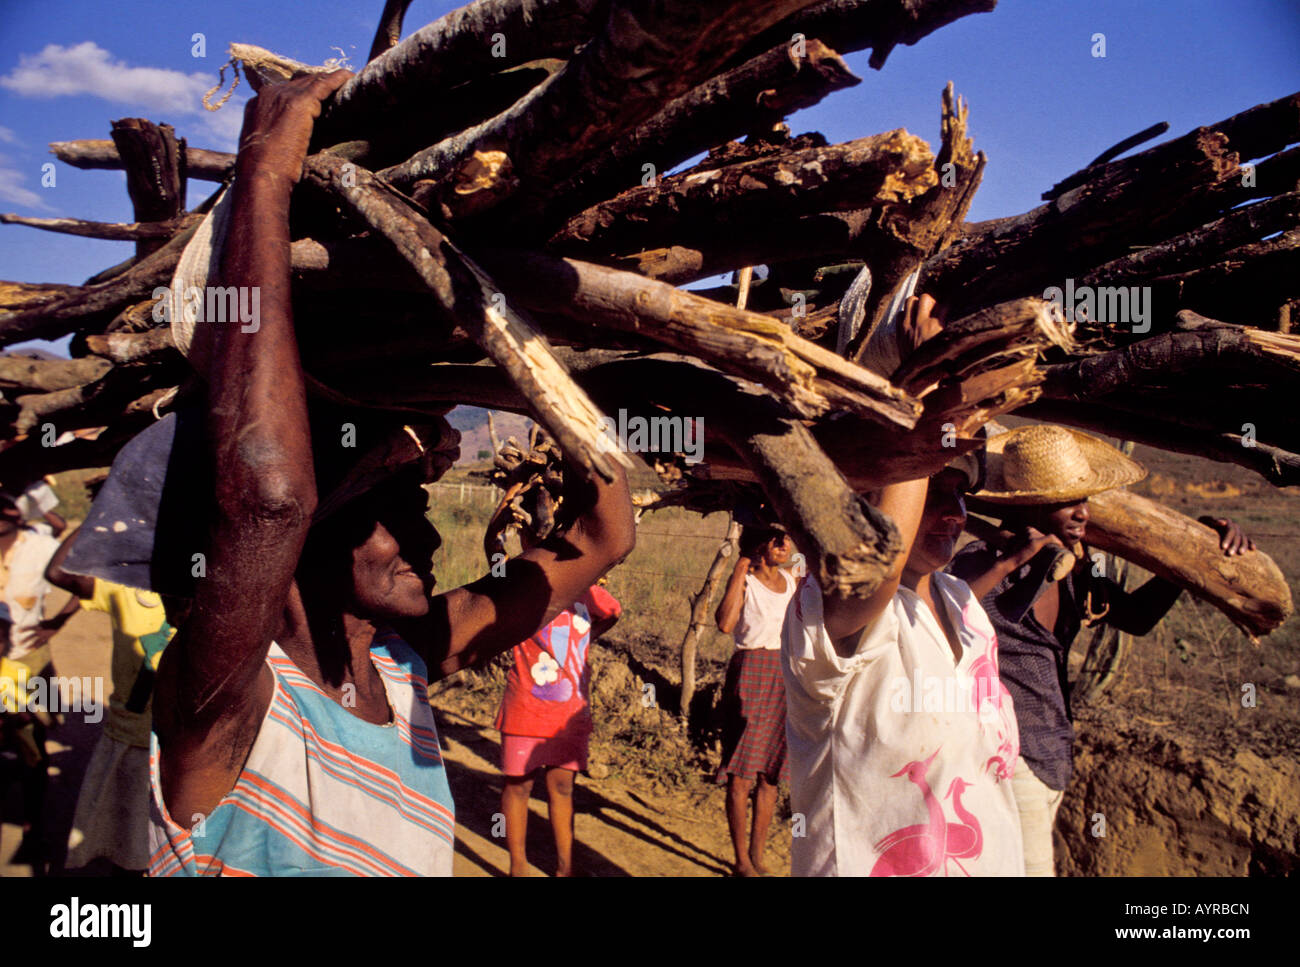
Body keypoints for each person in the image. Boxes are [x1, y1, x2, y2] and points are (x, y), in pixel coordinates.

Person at [68, 71, 635, 877]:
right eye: (393, 508)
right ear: (312, 527)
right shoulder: (228, 699)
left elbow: (603, 534)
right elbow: (267, 498)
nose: (429, 533)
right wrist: (265, 170)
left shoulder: (405, 665)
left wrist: (550, 349)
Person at [947, 423, 1255, 876]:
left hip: (1055, 755)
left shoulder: (1074, 572)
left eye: (1085, 500)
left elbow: (1135, 619)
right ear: (1028, 505)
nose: (1083, 513)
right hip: (1008, 760)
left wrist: (1197, 550)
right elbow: (946, 618)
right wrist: (1012, 561)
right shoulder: (980, 565)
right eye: (1066, 501)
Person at [782, 454, 1024, 877]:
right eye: (932, 491)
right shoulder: (832, 605)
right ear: (864, 500)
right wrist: (916, 433)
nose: (954, 512)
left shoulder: (963, 604)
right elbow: (880, 566)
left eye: (959, 493)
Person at [487, 500, 622, 877]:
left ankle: (565, 869)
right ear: (527, 540)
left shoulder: (584, 588)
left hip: (568, 715)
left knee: (563, 789)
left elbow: (611, 612)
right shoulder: (517, 584)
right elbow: (493, 561)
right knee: (518, 787)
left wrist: (586, 639)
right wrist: (496, 525)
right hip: (525, 710)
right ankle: (518, 867)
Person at [45, 525, 171, 874]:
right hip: (132, 739)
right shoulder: (128, 589)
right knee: (124, 847)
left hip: (181, 746)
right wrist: (104, 513)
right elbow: (59, 572)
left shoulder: (210, 593)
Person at [712, 521, 796, 876]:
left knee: (770, 776)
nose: (782, 543)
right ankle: (741, 861)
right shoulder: (746, 581)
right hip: (751, 673)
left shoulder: (792, 582)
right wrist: (739, 570)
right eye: (774, 537)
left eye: (787, 538)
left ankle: (757, 854)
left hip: (785, 676)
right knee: (742, 774)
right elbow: (725, 624)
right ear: (759, 545)